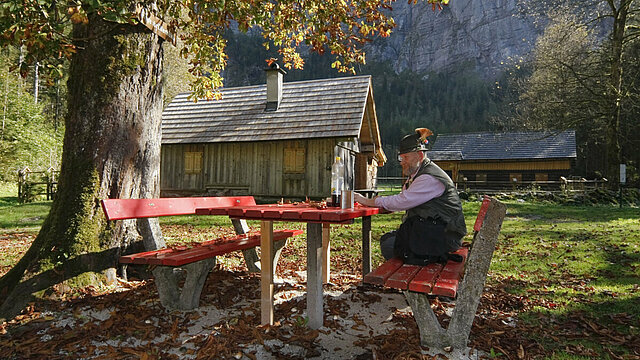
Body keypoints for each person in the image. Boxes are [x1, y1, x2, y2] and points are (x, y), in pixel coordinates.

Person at [354, 128, 467, 263]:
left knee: (390, 245)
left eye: (405, 157)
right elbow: (404, 199)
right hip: (434, 231)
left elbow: (402, 201)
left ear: (419, 155)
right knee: (388, 239)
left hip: (446, 237)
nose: (401, 162)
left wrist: (366, 201)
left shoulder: (428, 178)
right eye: (400, 158)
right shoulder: (419, 174)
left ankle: (414, 273)